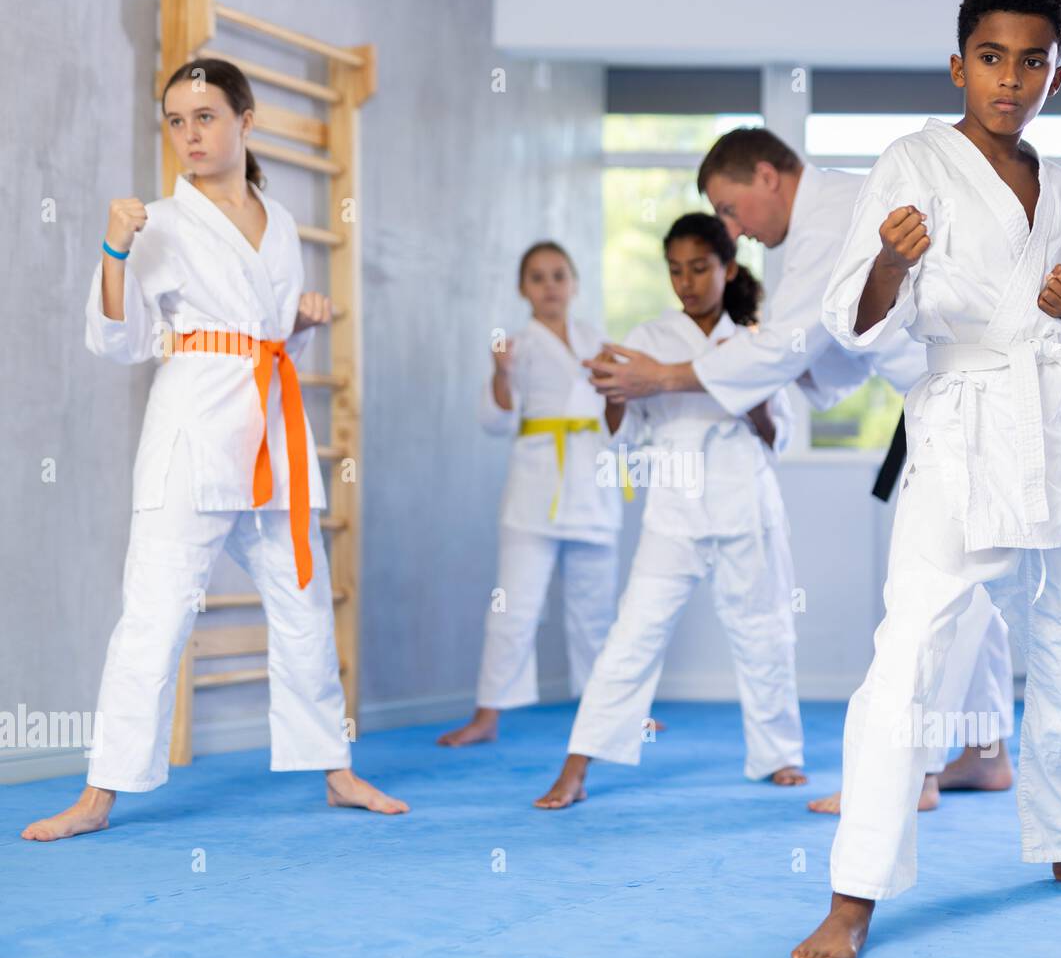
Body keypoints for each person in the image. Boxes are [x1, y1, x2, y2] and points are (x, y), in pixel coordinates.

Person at [792, 0, 1061, 958]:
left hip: (1050, 430)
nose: (1011, 80)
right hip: (961, 428)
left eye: (1033, 61)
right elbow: (851, 317)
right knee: (908, 654)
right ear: (958, 64)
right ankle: (853, 889)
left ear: (1056, 71)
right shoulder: (912, 158)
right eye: (992, 58)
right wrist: (887, 258)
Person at [22, 59, 406, 843]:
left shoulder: (285, 223)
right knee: (154, 621)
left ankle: (333, 770)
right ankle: (99, 795)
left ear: (245, 120)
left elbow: (263, 340)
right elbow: (118, 342)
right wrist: (114, 250)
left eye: (205, 117)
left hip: (270, 436)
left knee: (302, 610)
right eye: (175, 121)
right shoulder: (157, 220)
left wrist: (298, 320)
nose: (189, 135)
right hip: (191, 439)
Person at [590, 127, 1018, 815]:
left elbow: (784, 352)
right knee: (970, 590)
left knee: (931, 589)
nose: (735, 231)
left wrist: (665, 376)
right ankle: (986, 752)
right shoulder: (834, 216)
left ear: (767, 176)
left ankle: (918, 773)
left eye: (731, 210)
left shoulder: (832, 217)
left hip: (968, 404)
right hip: (963, 403)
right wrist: (752, 361)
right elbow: (845, 349)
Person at [535, 213, 803, 808]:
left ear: (728, 268)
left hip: (745, 499)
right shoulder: (646, 341)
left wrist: (747, 385)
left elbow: (778, 436)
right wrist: (616, 394)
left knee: (765, 632)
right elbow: (623, 437)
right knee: (632, 635)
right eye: (675, 270)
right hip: (675, 506)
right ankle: (577, 768)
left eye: (699, 268)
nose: (686, 282)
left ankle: (779, 754)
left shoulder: (756, 337)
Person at [438, 242, 625, 748]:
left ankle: (610, 714)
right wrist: (500, 373)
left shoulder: (597, 341)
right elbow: (496, 420)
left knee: (596, 612)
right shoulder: (516, 346)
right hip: (536, 488)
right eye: (538, 278)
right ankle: (487, 715)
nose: (550, 287)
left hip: (590, 482)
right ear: (523, 289)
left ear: (574, 284)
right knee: (513, 608)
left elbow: (620, 413)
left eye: (559, 276)